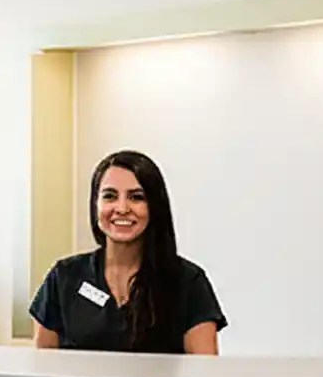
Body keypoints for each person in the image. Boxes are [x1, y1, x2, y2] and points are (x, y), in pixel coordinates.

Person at [28, 150, 227, 354]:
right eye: (110, 196)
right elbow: (44, 372)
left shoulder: (189, 282)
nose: (122, 208)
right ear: (95, 205)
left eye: (136, 197)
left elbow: (203, 376)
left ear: (154, 206)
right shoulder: (64, 277)